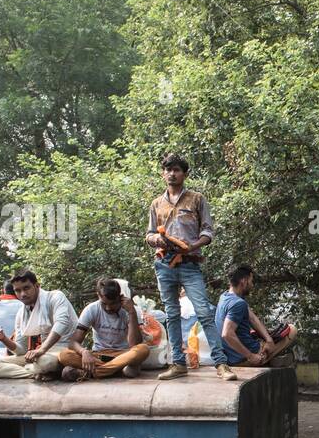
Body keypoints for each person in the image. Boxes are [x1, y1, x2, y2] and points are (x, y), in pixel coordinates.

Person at [145, 153, 237, 382]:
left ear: (185, 174)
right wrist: (155, 239)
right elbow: (148, 234)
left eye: (177, 170)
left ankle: (221, 363)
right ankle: (178, 363)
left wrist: (192, 246)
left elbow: (208, 231)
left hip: (190, 263)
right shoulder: (157, 203)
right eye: (168, 170)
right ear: (163, 173)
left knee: (204, 312)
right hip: (164, 263)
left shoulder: (196, 199)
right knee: (172, 314)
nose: (172, 174)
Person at [0, 268, 76, 380]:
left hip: (65, 352)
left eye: (26, 288)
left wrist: (41, 349)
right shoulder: (21, 313)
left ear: (37, 286)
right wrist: (3, 339)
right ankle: (35, 374)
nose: (22, 294)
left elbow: (62, 323)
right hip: (41, 355)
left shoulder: (55, 297)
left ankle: (39, 370)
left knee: (45, 362)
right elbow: (21, 350)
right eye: (18, 290)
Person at [57, 278, 151, 381]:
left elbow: (134, 344)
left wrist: (131, 312)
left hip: (123, 355)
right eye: (104, 304)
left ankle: (94, 373)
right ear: (98, 296)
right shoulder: (91, 309)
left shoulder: (131, 310)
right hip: (98, 356)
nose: (108, 308)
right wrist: (84, 352)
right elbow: (73, 342)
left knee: (143, 349)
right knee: (64, 355)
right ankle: (114, 371)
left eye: (113, 303)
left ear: (120, 297)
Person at [215, 265, 296, 368]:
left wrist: (269, 339)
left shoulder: (225, 296)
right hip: (243, 358)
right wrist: (251, 356)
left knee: (268, 335)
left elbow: (252, 318)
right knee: (292, 330)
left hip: (231, 356)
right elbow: (227, 334)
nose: (252, 285)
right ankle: (265, 359)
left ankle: (271, 357)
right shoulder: (238, 303)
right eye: (251, 281)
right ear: (244, 281)